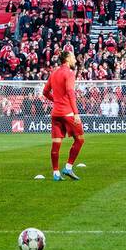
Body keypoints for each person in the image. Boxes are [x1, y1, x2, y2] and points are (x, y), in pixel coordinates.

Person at [43, 50, 83, 182]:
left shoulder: (54, 73)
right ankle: (68, 167)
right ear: (67, 59)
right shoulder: (69, 73)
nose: (74, 60)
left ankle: (56, 173)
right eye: (73, 57)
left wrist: (56, 100)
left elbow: (45, 92)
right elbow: (71, 93)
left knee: (56, 144)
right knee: (80, 139)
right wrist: (76, 113)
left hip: (55, 113)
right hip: (68, 113)